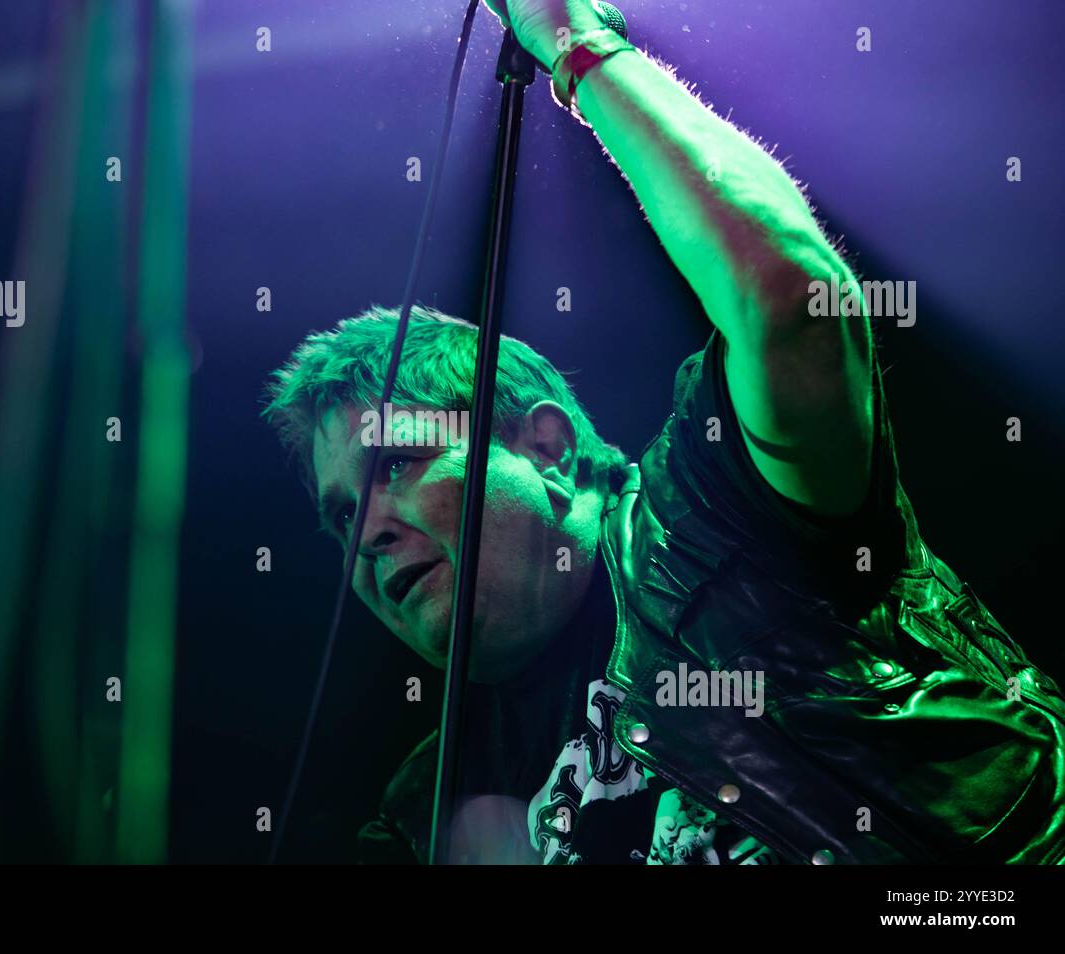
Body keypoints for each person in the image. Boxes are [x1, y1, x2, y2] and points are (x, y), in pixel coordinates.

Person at [261, 0, 1065, 864]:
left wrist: (574, 45)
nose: (368, 531)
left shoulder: (713, 513)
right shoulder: (420, 815)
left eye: (401, 461)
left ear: (547, 448)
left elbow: (790, 302)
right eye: (342, 517)